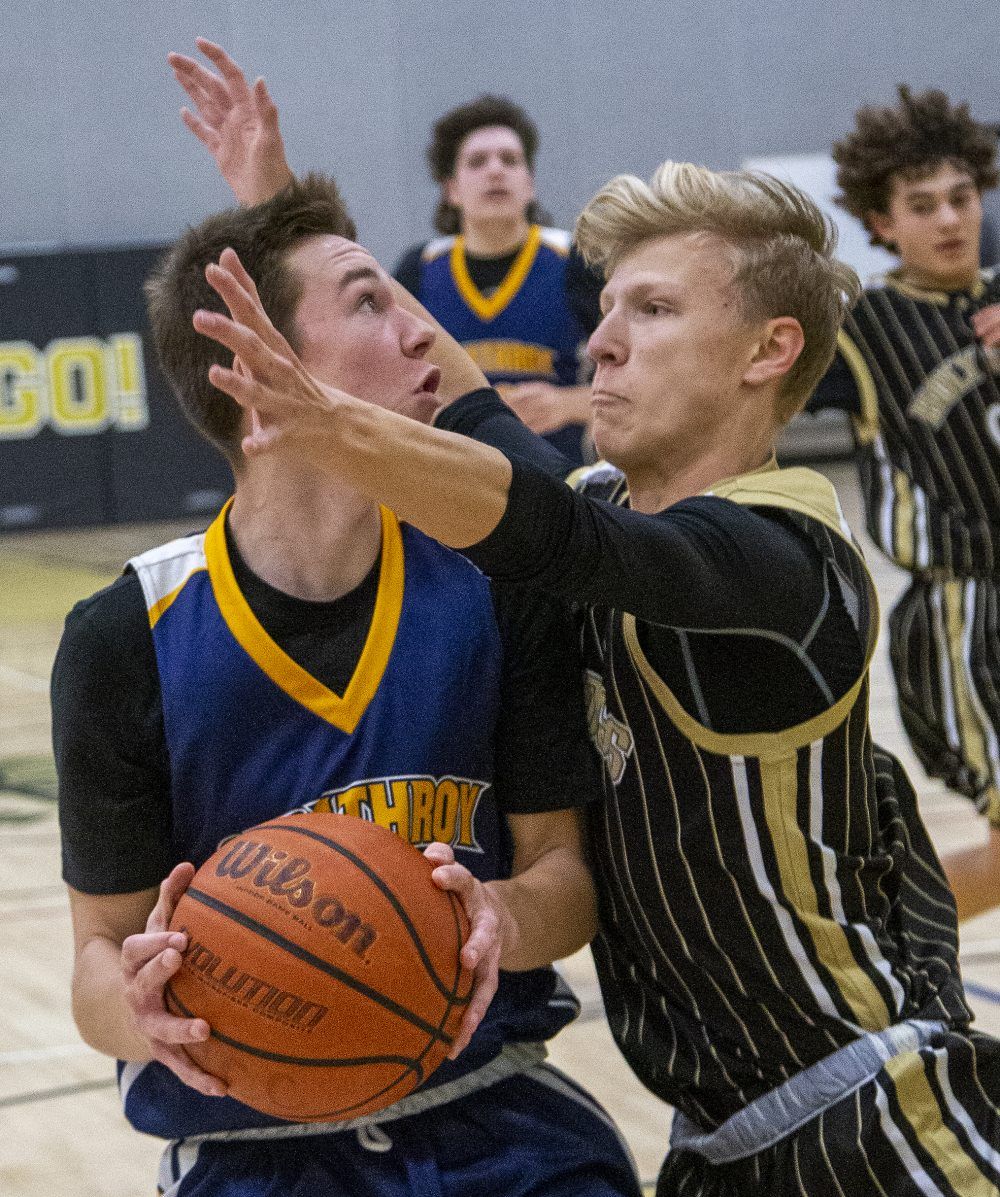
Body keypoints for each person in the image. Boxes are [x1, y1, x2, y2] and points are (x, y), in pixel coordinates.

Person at [196, 154, 1000, 1195]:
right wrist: (295, 225)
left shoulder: (785, 559)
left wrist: (331, 423)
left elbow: (543, 529)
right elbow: (476, 415)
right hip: (723, 1139)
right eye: (608, 305)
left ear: (770, 349)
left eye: (653, 309)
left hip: (873, 1111)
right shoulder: (610, 505)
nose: (601, 338)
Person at [53, 175, 641, 1196]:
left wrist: (495, 916)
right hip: (252, 1154)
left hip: (498, 1121)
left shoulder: (497, 589)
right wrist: (140, 1011)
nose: (421, 328)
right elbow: (100, 955)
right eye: (370, 301)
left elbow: (564, 883)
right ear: (252, 365)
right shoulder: (126, 636)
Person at [808, 86, 1000, 921]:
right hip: (964, 615)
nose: (950, 219)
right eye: (922, 205)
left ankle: (874, 938)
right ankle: (874, 939)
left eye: (961, 197)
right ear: (881, 223)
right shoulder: (861, 328)